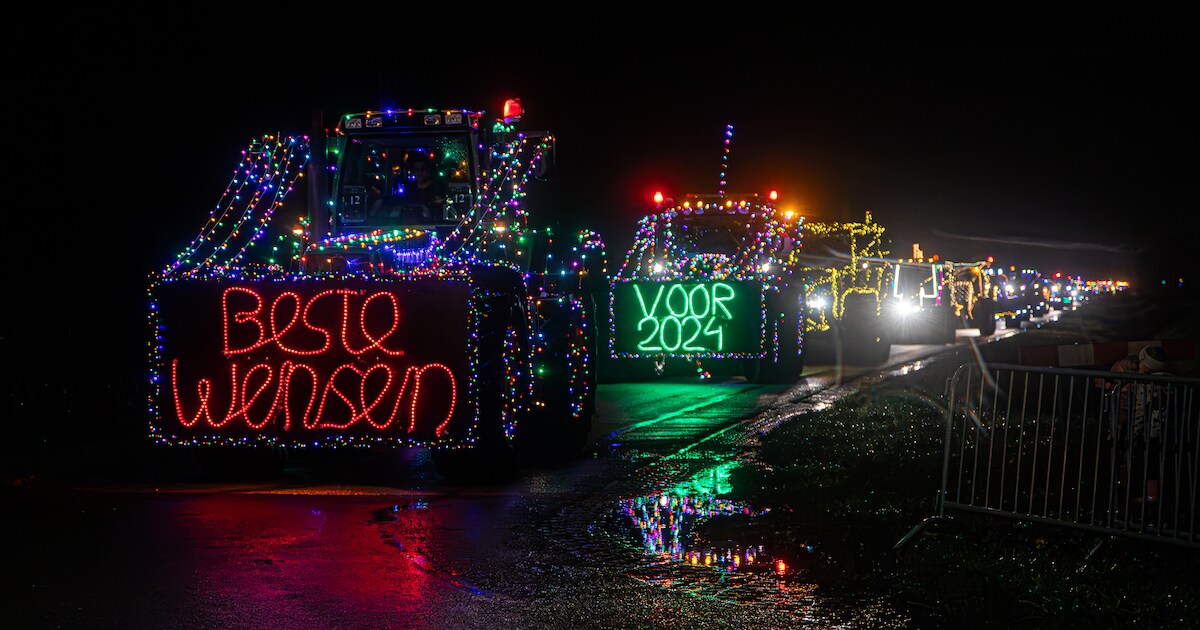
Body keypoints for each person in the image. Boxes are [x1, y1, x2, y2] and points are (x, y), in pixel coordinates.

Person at [400, 156, 448, 223]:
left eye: (423, 169)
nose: (420, 172)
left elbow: (441, 210)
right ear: (413, 171)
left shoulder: (438, 189)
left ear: (428, 170)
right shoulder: (409, 190)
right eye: (417, 169)